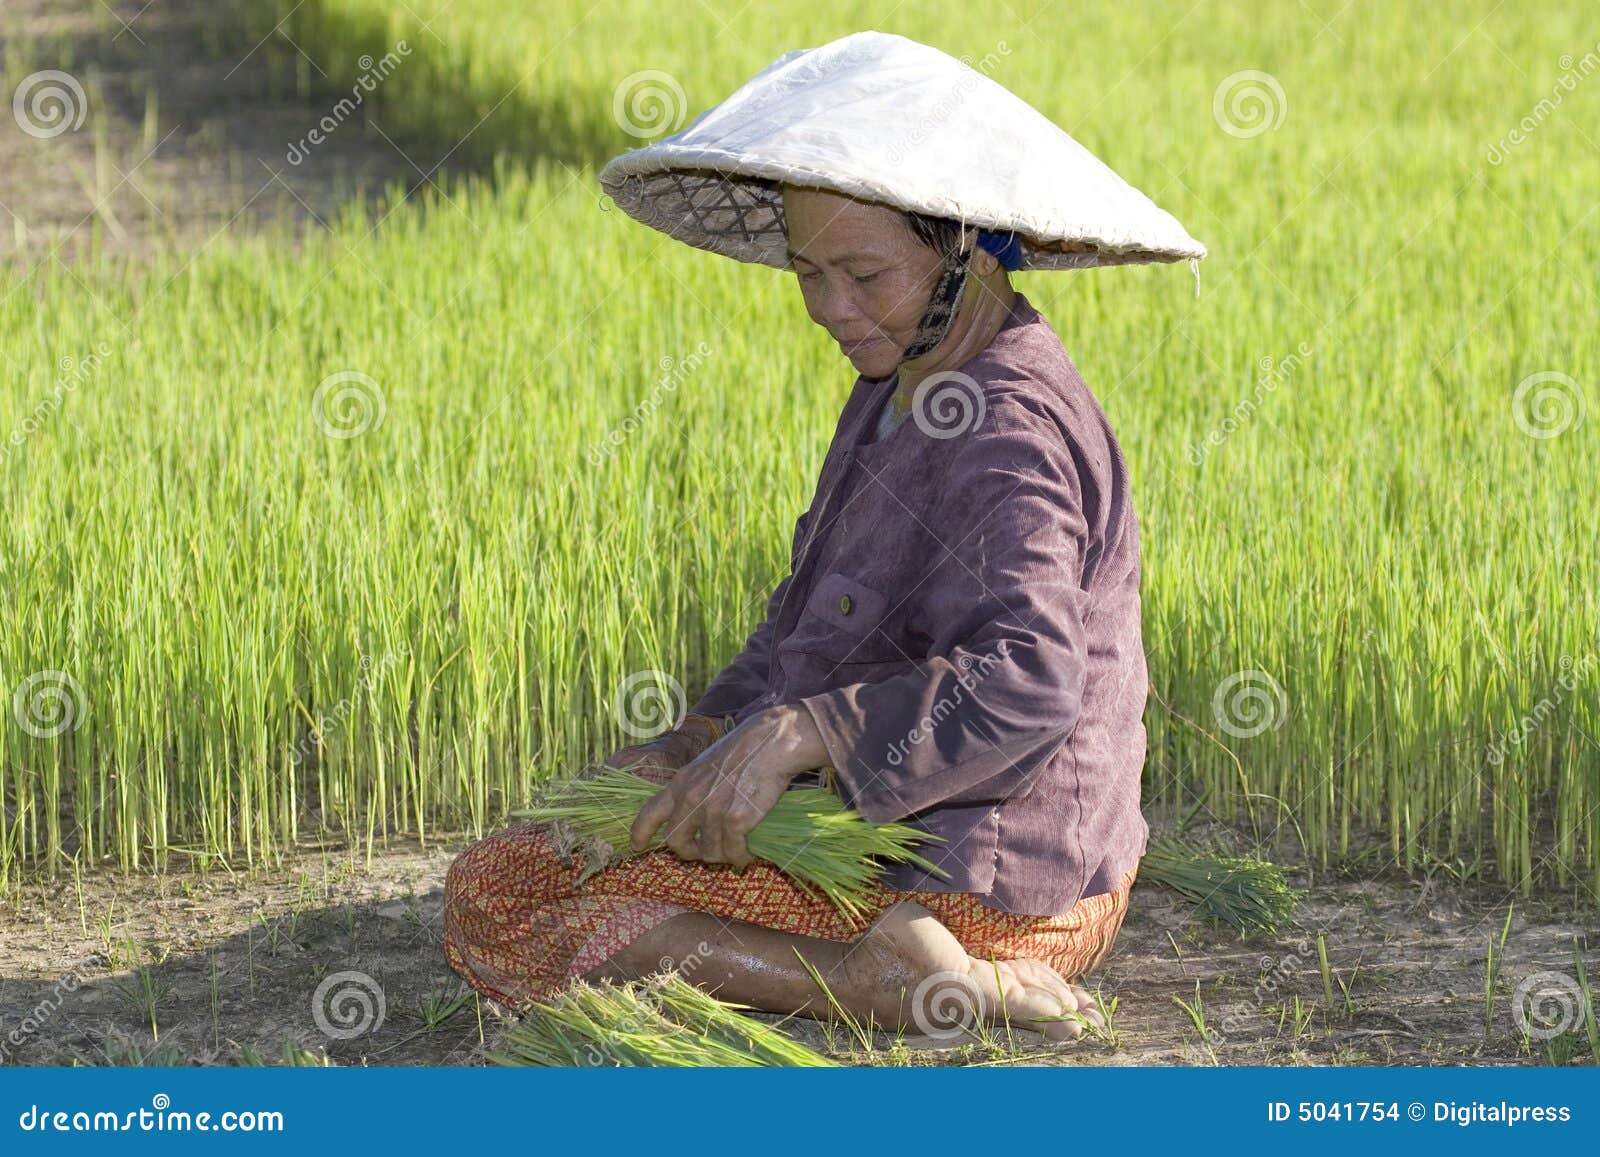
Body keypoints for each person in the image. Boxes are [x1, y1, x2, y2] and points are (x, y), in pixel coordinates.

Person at [445, 30, 1205, 1043]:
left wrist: (807, 734)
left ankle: (882, 979)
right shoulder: (898, 381)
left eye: (863, 272)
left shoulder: (1003, 428)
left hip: (995, 877)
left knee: (502, 903)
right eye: (808, 273)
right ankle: (883, 963)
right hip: (894, 841)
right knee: (528, 861)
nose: (829, 309)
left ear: (964, 250)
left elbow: (1031, 680)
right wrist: (699, 741)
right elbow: (800, 623)